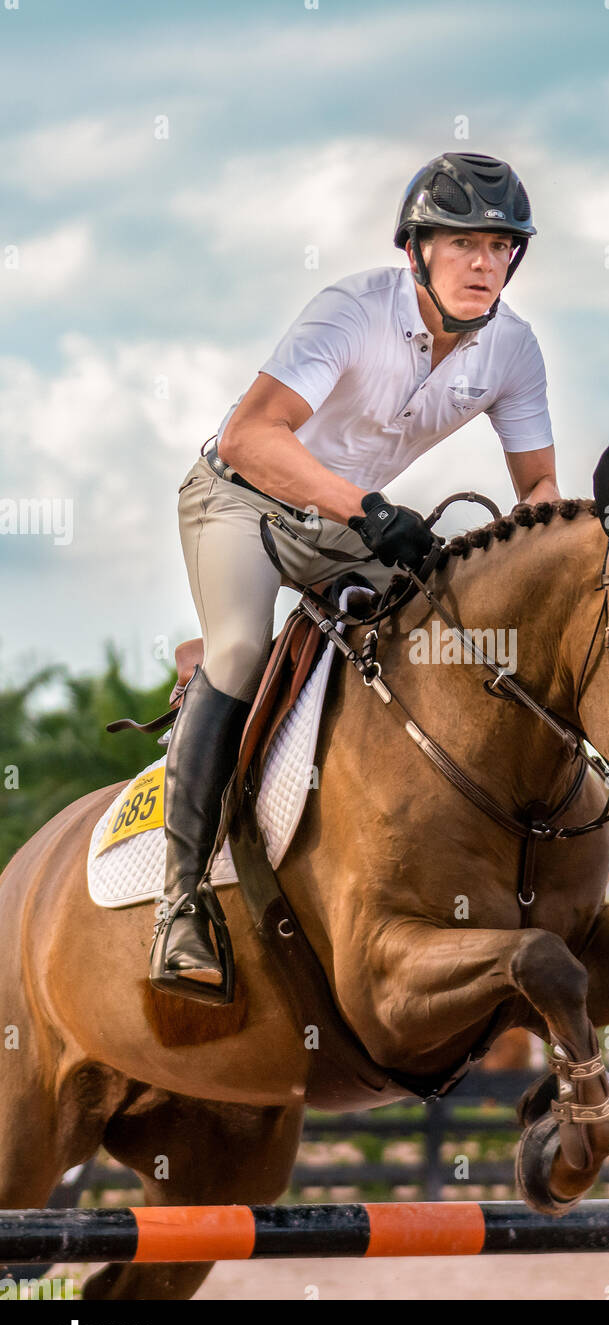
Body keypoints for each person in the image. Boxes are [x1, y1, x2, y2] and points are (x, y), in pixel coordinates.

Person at [150, 151, 561, 1005]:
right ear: (415, 250)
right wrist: (367, 509)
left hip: (347, 526)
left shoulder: (514, 350)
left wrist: (544, 558)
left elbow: (539, 490)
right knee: (240, 651)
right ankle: (180, 904)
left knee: (444, 635)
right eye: (463, 244)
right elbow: (250, 438)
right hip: (242, 503)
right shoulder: (351, 310)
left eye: (500, 246)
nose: (484, 264)